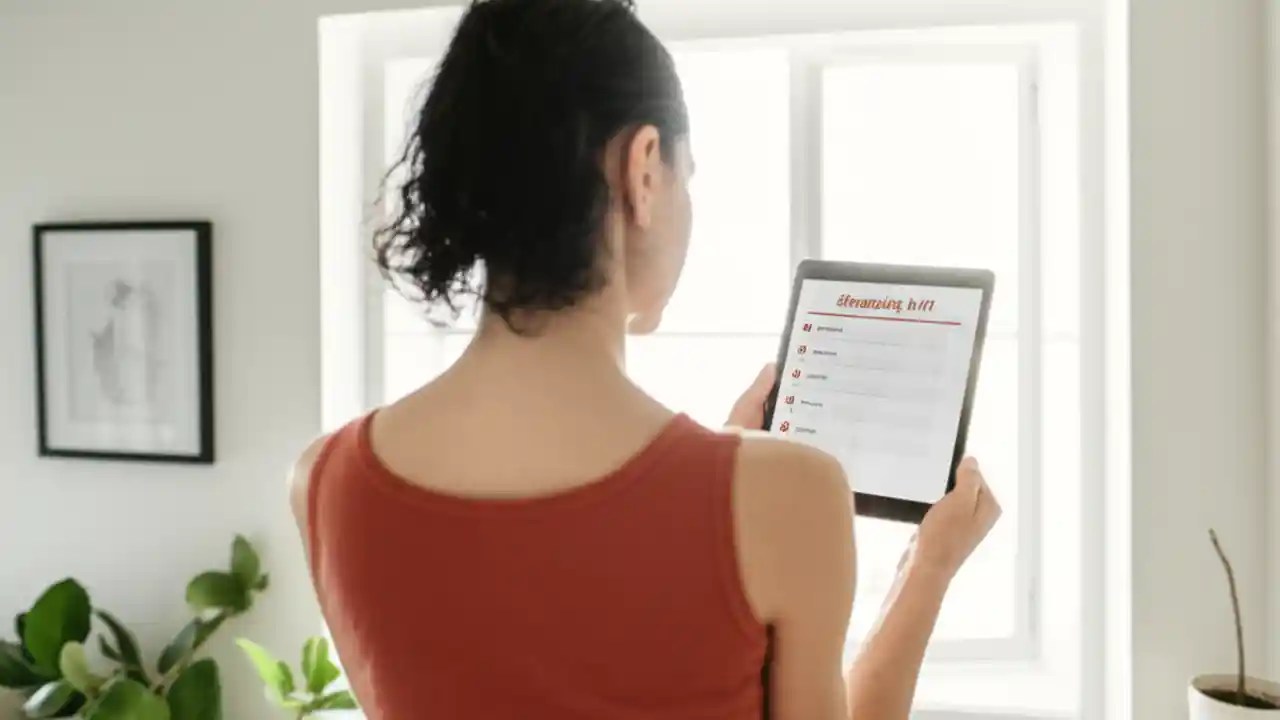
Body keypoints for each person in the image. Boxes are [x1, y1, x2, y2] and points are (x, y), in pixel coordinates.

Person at [289, 0, 1001, 717]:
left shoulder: (324, 483)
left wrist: (727, 467)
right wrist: (928, 567)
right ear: (644, 169)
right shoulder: (790, 495)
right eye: (687, 175)